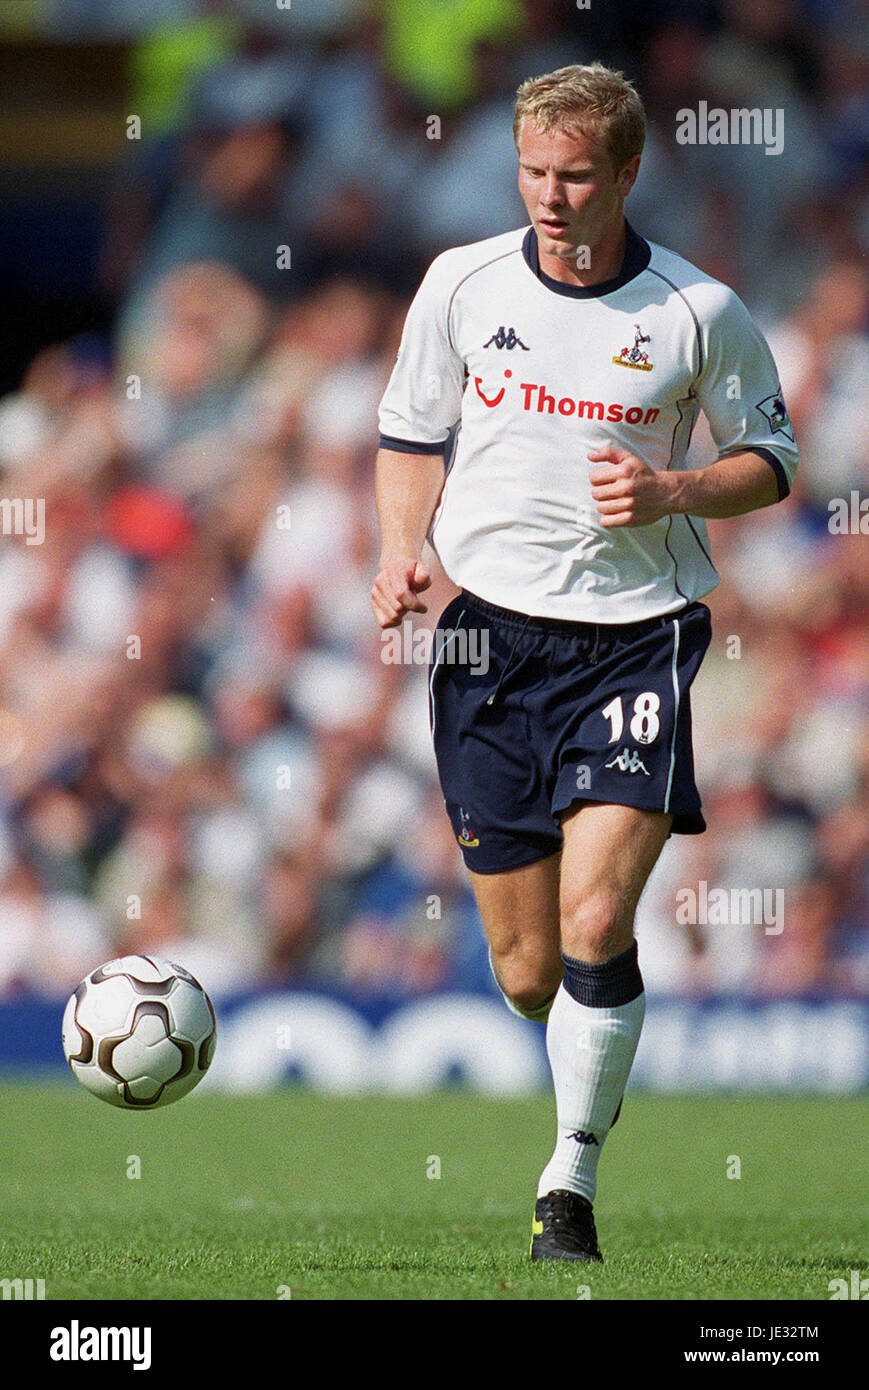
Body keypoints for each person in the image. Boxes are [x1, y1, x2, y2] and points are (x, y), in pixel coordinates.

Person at [370, 63, 798, 1262]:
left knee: (597, 913)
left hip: (636, 636)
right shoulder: (458, 282)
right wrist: (399, 553)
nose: (548, 198)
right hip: (484, 635)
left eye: (572, 176)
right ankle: (581, 1041)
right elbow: (410, 436)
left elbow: (772, 454)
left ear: (624, 173)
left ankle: (569, 1182)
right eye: (530, 172)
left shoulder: (694, 309)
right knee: (524, 970)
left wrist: (672, 487)